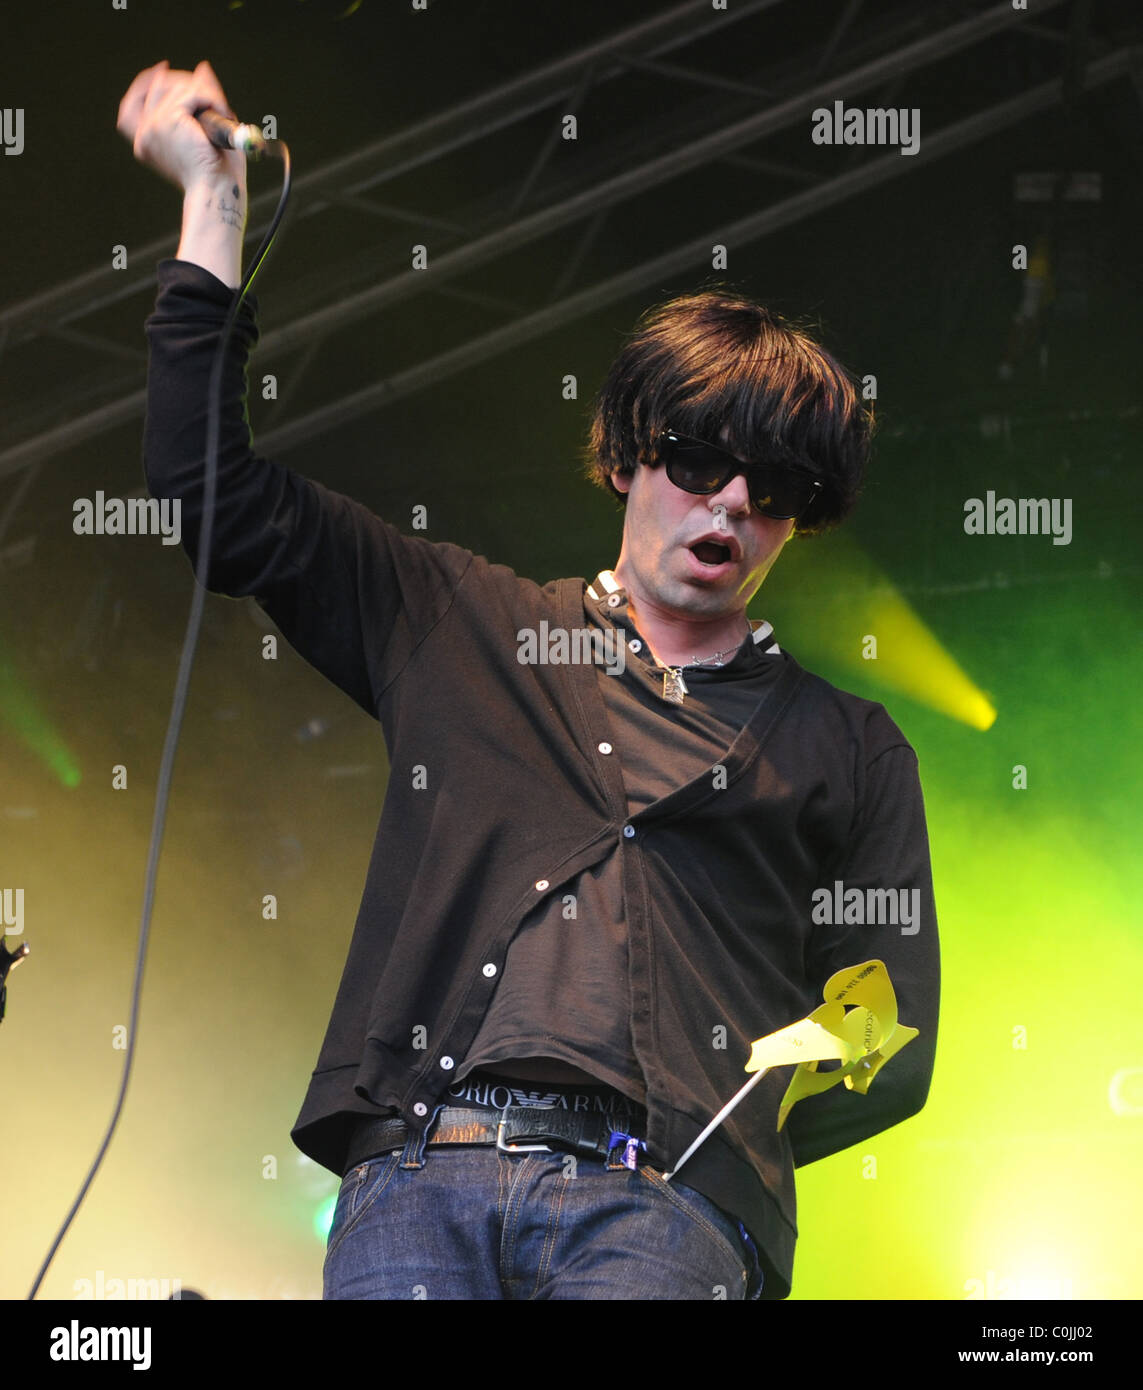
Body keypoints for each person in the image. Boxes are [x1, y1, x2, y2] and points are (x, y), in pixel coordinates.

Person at [119, 59, 940, 1301]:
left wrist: (736, 1132)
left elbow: (893, 1034)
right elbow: (211, 495)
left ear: (800, 519)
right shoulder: (461, 620)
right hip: (419, 1185)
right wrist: (213, 201)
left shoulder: (854, 749)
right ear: (627, 453)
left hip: (664, 1220)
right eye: (704, 457)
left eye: (771, 490)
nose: (729, 503)